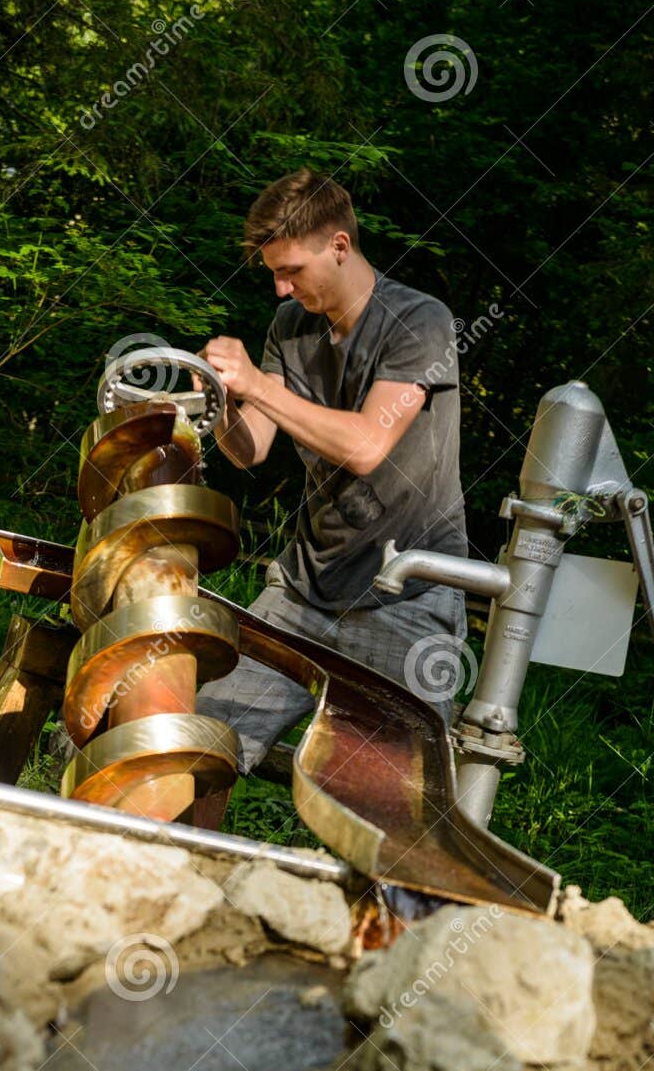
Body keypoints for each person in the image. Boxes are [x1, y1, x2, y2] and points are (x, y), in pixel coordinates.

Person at [192, 168, 470, 829]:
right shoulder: (291, 324)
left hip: (408, 596)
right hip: (303, 593)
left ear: (339, 246)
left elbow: (367, 446)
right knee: (198, 746)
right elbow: (252, 447)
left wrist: (259, 386)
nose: (282, 288)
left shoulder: (419, 322)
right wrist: (219, 401)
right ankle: (170, 896)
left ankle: (385, 929)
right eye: (273, 275)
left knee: (395, 810)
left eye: (291, 270)